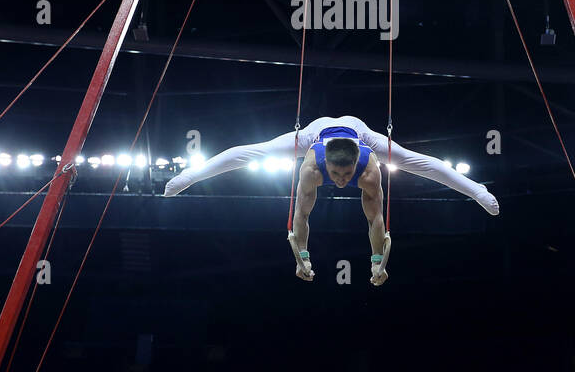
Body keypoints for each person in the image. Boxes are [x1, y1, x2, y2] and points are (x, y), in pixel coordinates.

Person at [163, 115, 499, 285]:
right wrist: (302, 256)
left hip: (360, 132)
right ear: (327, 165)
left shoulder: (369, 169)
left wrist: (377, 260)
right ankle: (188, 177)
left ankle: (477, 190)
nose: (340, 181)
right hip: (316, 131)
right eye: (336, 175)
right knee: (255, 152)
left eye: (345, 174)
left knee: (414, 161)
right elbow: (301, 217)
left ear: (356, 165)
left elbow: (375, 219)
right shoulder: (311, 167)